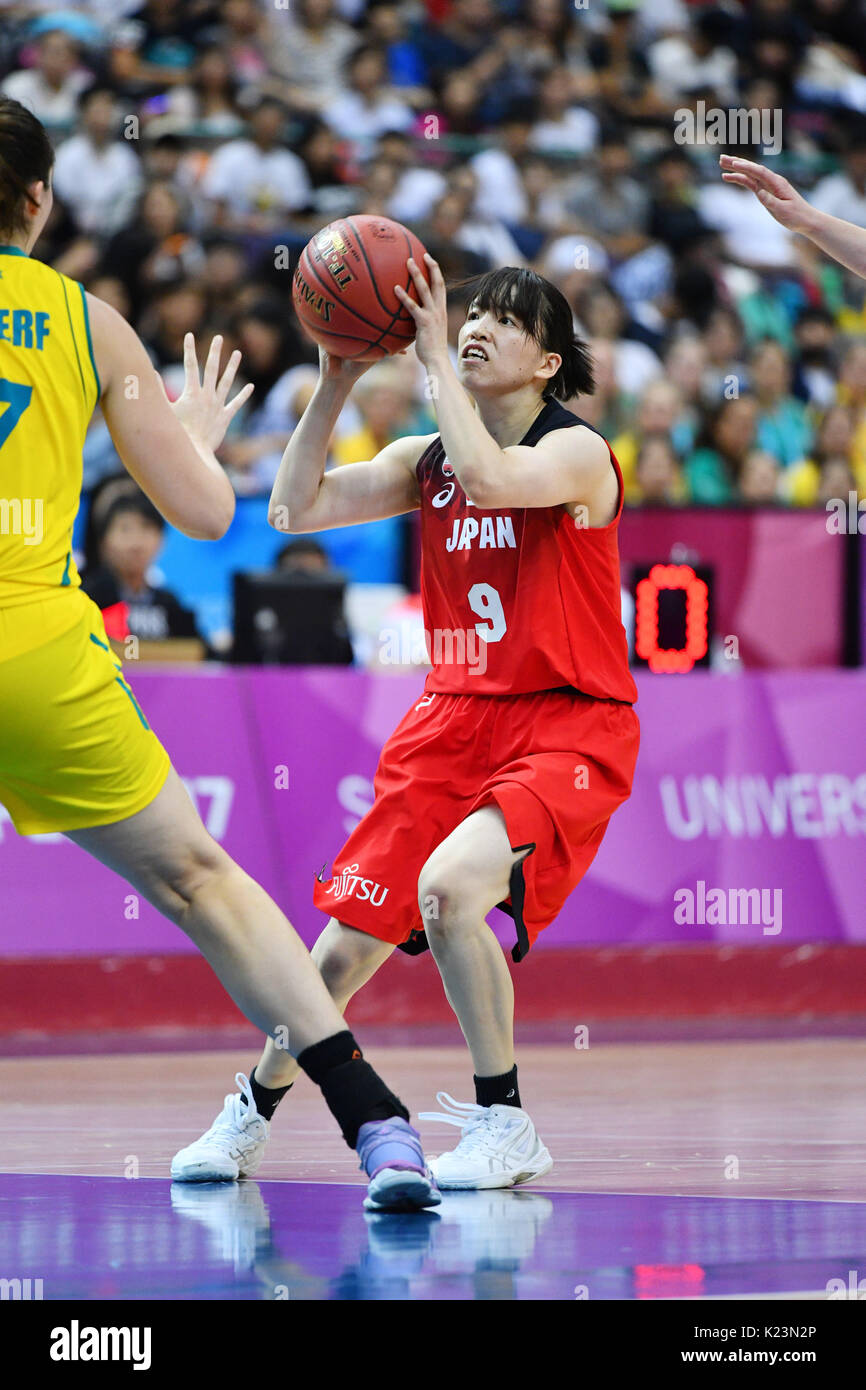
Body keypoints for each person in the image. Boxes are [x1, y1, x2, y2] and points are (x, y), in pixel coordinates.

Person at [0, 96, 437, 1214]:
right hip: (34, 658)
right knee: (199, 880)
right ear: (40, 201)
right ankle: (375, 1122)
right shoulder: (90, 324)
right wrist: (188, 437)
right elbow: (200, 514)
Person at [175, 258, 640, 1191]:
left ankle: (507, 1122)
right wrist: (338, 378)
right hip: (451, 719)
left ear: (548, 363)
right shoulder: (424, 462)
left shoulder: (575, 452)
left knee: (451, 887)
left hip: (566, 724)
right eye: (470, 316)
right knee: (339, 953)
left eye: (504, 323)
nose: (474, 329)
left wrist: (429, 355)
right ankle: (248, 1114)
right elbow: (291, 506)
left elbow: (494, 477)